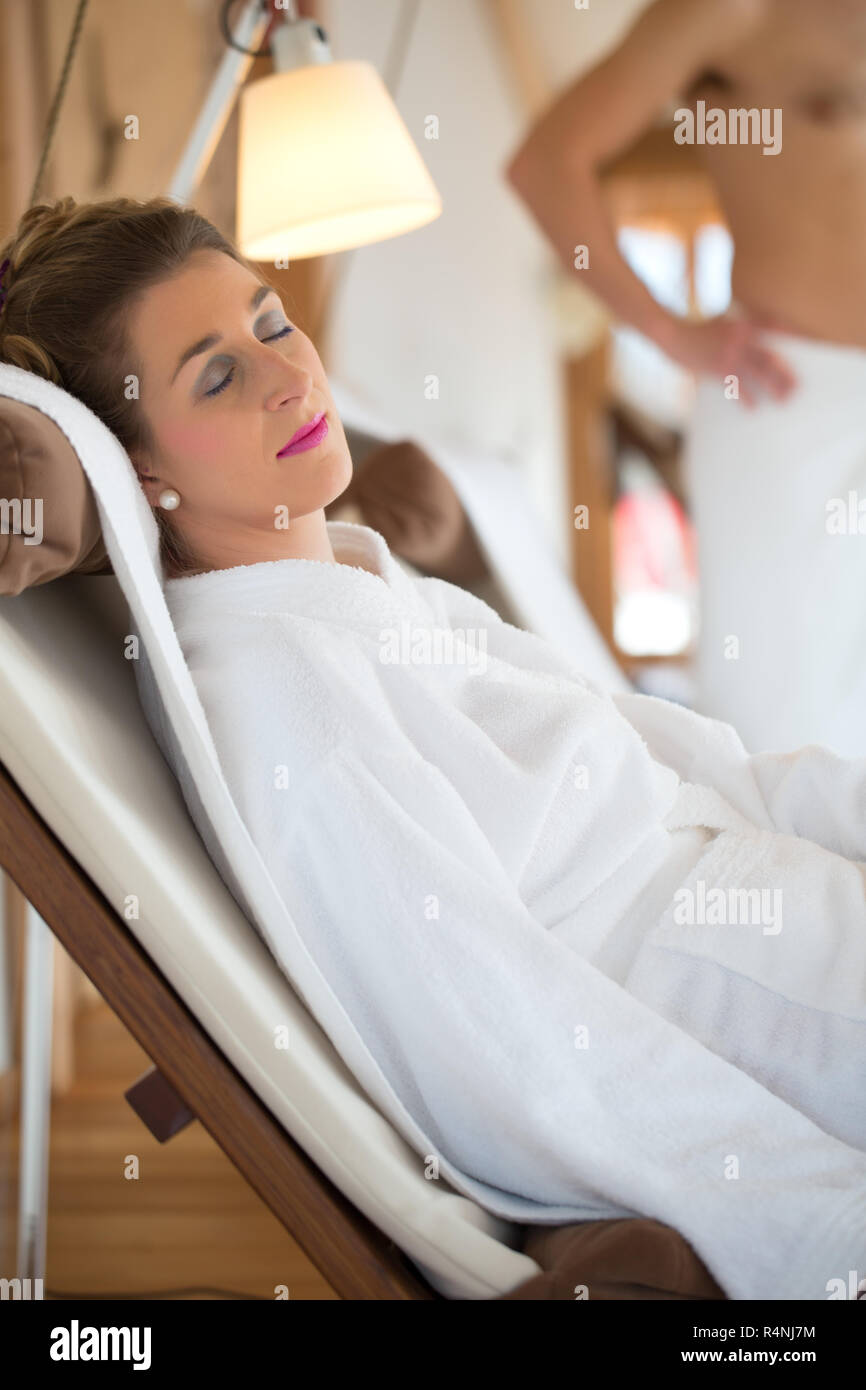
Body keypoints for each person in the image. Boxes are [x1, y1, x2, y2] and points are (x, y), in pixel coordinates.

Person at [1, 196, 864, 1301]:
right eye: (214, 377)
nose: (286, 378)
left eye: (272, 325)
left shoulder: (350, 576)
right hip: (736, 1000)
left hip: (764, 901)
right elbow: (497, 1032)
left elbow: (670, 751)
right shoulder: (284, 697)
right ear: (139, 470)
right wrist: (811, 1222)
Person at [505, 0, 866, 756]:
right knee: (780, 707)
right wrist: (669, 330)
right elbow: (546, 164)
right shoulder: (730, 9)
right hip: (786, 398)